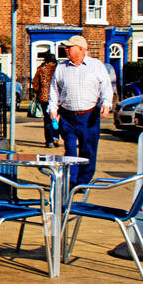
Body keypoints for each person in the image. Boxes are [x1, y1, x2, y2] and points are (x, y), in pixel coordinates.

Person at [47, 35, 113, 188]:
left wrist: (106, 103)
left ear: (81, 49)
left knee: (87, 149)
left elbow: (106, 87)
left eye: (70, 47)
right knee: (70, 149)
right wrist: (53, 109)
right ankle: (72, 181)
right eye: (66, 47)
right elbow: (54, 90)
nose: (66, 50)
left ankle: (83, 182)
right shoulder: (61, 68)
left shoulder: (96, 66)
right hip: (67, 116)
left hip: (89, 116)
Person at [29, 51, 59, 147]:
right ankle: (56, 137)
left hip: (44, 97)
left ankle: (49, 141)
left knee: (47, 119)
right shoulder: (58, 68)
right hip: (58, 97)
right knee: (57, 118)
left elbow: (35, 83)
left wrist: (38, 91)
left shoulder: (41, 69)